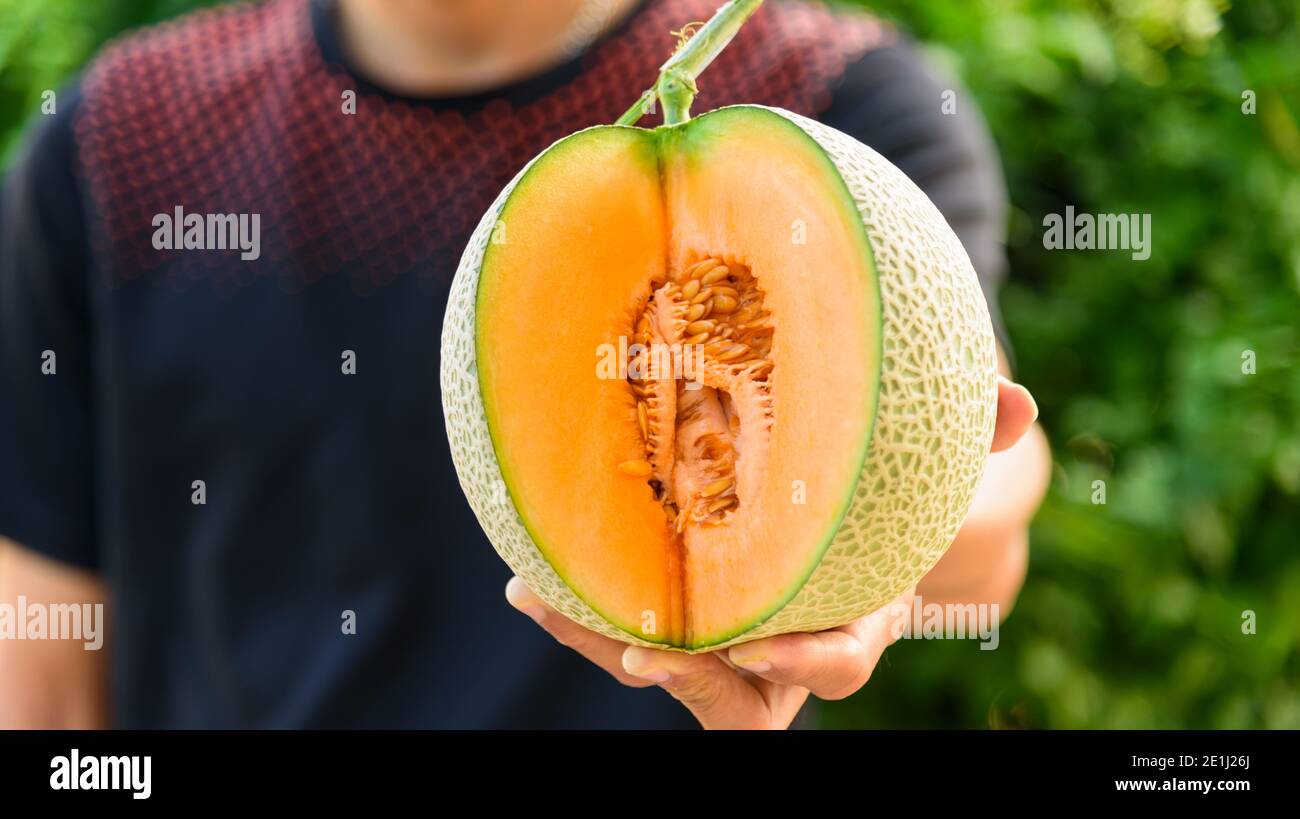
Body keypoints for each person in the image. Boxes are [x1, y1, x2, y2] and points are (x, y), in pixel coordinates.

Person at [0, 0, 1050, 729]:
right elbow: (38, 666)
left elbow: (985, 493)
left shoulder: (845, 96)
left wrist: (894, 532)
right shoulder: (121, 143)